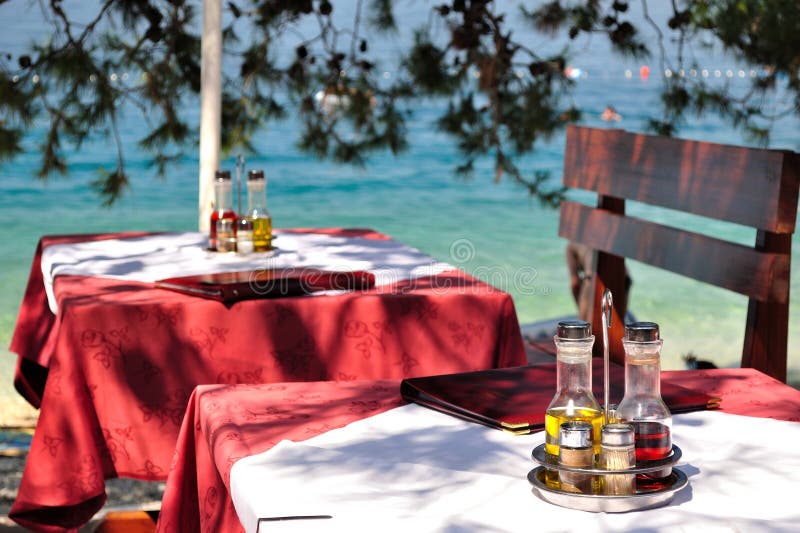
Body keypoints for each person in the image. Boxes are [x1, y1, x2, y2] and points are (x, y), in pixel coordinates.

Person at [565, 242, 631, 322]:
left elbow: (574, 284)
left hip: (592, 277)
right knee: (617, 323)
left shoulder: (571, 246)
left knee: (585, 328)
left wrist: (582, 310)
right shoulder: (605, 239)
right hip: (623, 277)